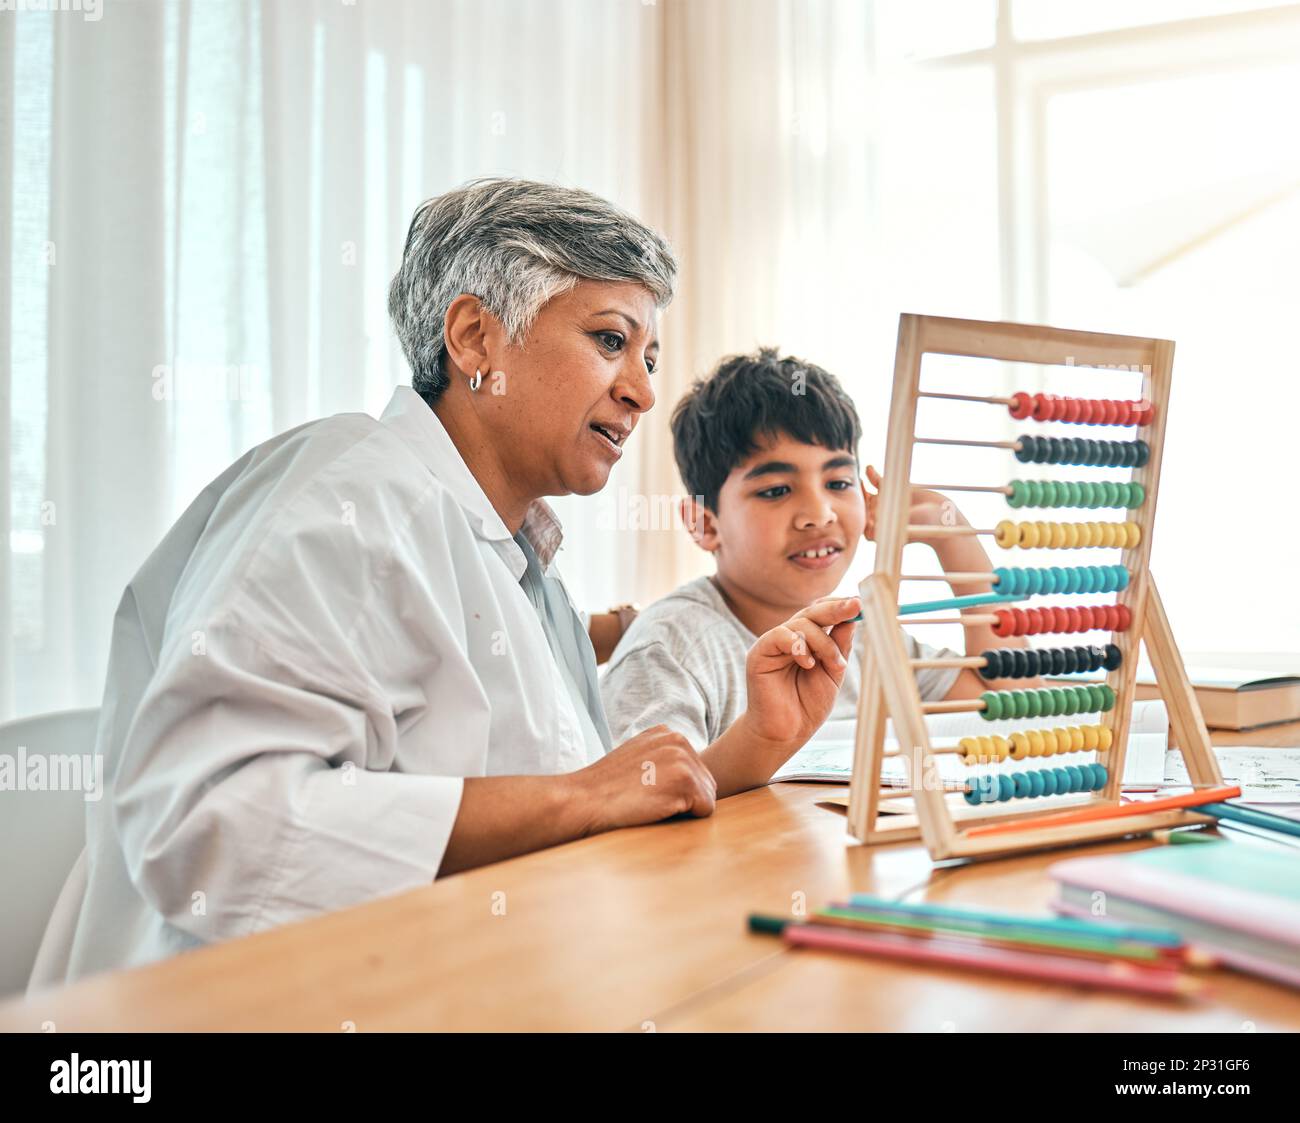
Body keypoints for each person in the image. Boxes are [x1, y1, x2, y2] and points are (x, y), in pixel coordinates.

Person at [28, 181, 859, 989]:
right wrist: (575, 797)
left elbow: (605, 803)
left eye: (647, 357)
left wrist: (753, 745)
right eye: (610, 341)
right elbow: (208, 822)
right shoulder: (348, 491)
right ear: (474, 338)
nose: (641, 390)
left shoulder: (519, 563)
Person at [601, 347, 1037, 749]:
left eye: (838, 483)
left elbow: (1009, 706)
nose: (819, 513)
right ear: (704, 523)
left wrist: (954, 538)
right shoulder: (672, 650)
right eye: (775, 490)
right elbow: (655, 801)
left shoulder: (867, 640)